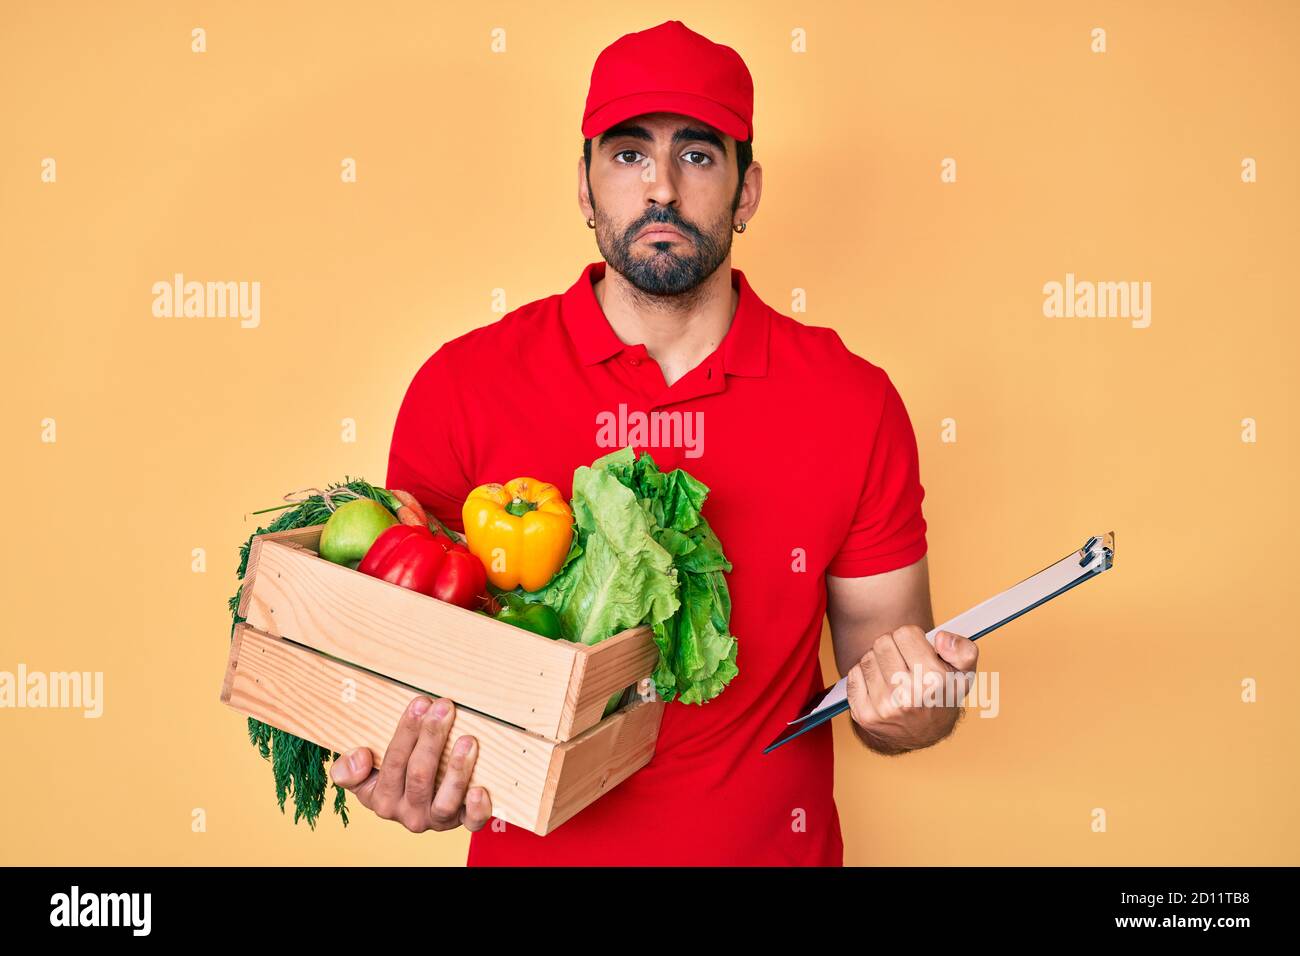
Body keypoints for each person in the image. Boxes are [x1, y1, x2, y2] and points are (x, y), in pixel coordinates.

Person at [329, 19, 978, 866]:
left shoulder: (852, 401)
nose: (661, 189)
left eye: (699, 156)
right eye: (629, 155)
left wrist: (922, 703)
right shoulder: (463, 386)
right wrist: (406, 767)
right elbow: (409, 671)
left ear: (746, 192)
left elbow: (893, 690)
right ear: (585, 185)